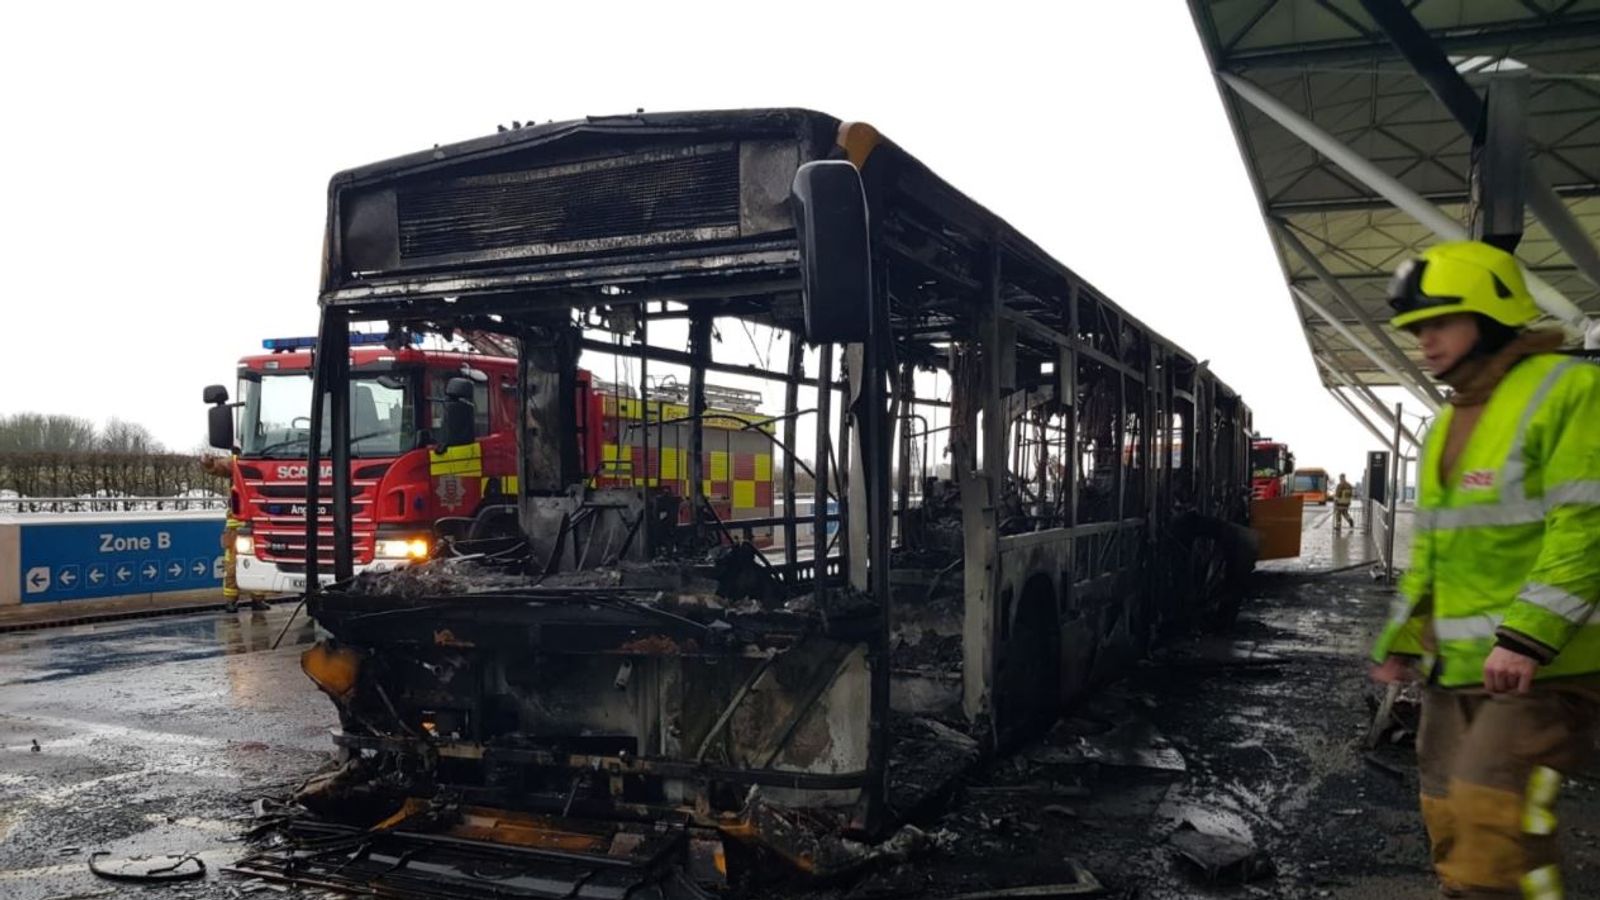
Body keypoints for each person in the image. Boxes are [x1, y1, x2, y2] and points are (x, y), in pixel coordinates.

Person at [1369, 240, 1600, 899]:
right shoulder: (1447, 424)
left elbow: (1587, 524)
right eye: (1418, 328)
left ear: (1493, 317)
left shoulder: (1570, 390)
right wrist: (1404, 642)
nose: (1425, 342)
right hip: (1458, 669)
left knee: (1491, 822)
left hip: (1546, 670)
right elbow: (1437, 551)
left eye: (1441, 322)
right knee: (1447, 815)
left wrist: (1527, 638)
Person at [199, 454, 269, 612]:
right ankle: (231, 601)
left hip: (257, 521)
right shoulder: (238, 461)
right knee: (232, 565)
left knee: (259, 563)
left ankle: (258, 599)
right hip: (237, 526)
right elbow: (219, 466)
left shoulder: (267, 460)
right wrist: (209, 463)